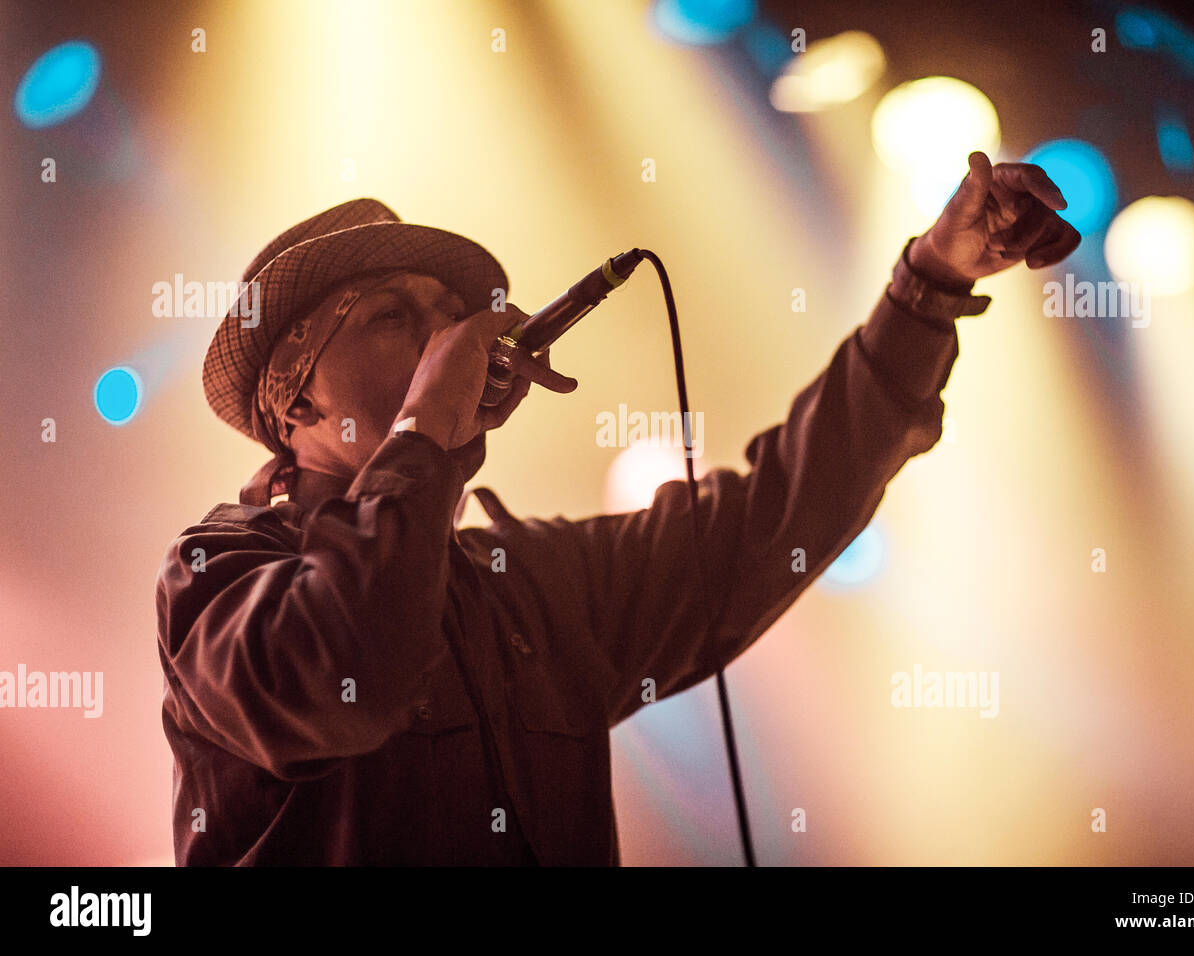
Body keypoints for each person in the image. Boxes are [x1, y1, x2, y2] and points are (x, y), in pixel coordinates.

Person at [155, 151, 1079, 865]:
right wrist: (426, 425)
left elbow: (785, 508)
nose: (450, 337)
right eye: (394, 316)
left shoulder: (534, 588)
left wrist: (929, 284)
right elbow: (347, 665)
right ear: (295, 399)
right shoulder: (220, 573)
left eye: (454, 314)